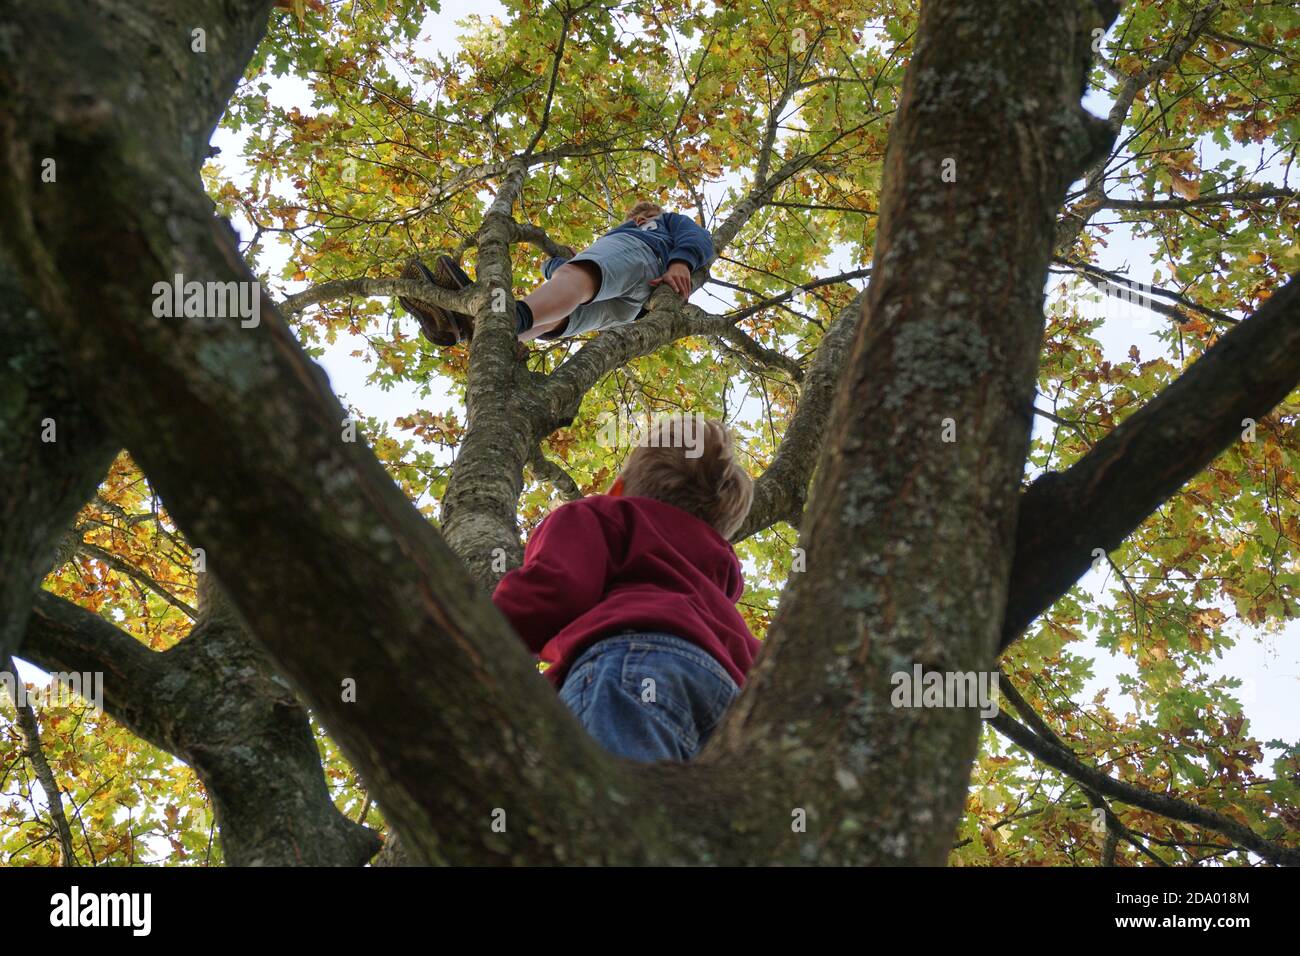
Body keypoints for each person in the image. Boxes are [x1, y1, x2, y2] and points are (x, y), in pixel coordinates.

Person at [491, 416, 758, 762]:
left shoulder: (604, 515)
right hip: (733, 708)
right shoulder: (718, 587)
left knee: (606, 808)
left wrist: (485, 625)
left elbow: (556, 589)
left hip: (633, 666)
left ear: (616, 490)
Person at [398, 201, 715, 346]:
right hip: (632, 307)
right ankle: (476, 331)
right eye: (638, 214)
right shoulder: (615, 239)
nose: (640, 216)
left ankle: (504, 318)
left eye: (645, 213)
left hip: (644, 262)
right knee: (564, 316)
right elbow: (569, 273)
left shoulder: (651, 226)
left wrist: (680, 263)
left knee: (577, 280)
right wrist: (552, 265)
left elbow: (699, 238)